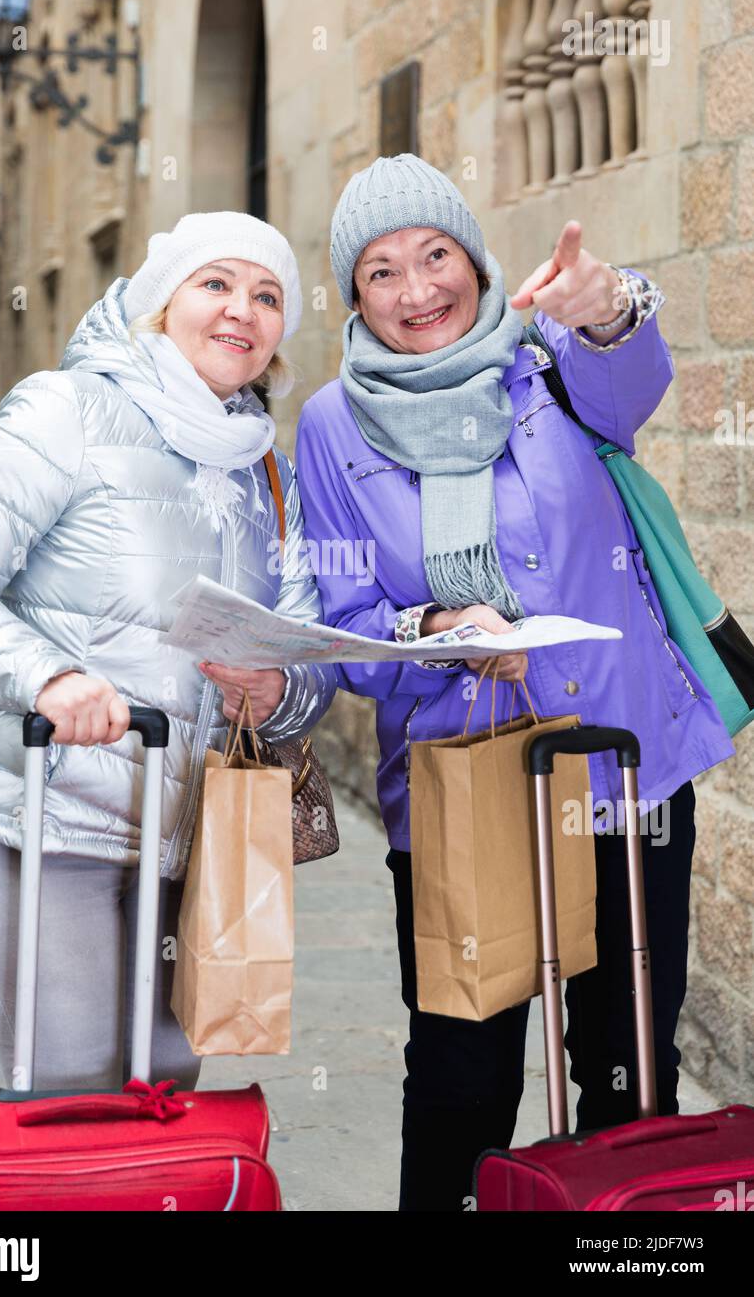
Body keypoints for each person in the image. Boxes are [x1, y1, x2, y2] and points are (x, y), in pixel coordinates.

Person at [294, 153, 735, 1211]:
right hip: (460, 787)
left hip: (619, 768)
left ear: (475, 260)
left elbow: (631, 381)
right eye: (380, 272)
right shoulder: (328, 425)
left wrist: (611, 308)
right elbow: (338, 627)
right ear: (352, 296)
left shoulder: (543, 360)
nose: (416, 291)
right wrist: (436, 626)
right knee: (461, 1076)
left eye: (435, 254)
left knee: (627, 1068)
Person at [0, 211, 336, 1092]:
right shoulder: (70, 408)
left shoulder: (265, 469)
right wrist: (46, 676)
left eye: (268, 295)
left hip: (197, 848)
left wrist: (276, 691)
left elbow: (310, 654)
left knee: (168, 1103)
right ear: (160, 301)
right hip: (50, 825)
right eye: (215, 284)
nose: (241, 309)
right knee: (73, 1097)